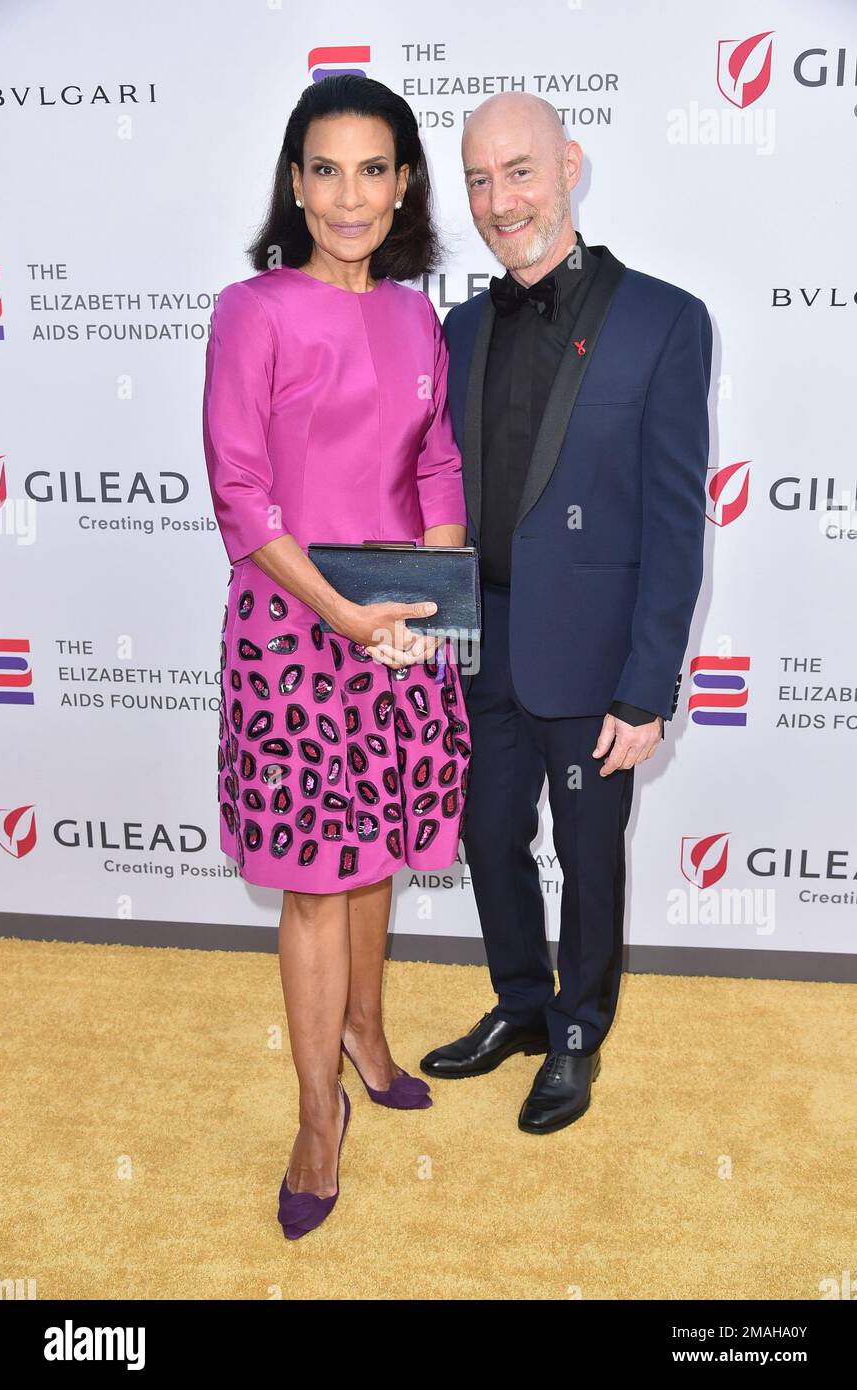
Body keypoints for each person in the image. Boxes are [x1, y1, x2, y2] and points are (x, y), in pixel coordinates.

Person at [202, 75, 471, 1236]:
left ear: (402, 182)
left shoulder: (417, 317)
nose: (346, 195)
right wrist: (342, 615)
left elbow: (437, 467)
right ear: (295, 181)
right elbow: (241, 492)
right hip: (291, 635)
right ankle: (318, 1117)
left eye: (372, 169)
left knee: (376, 858)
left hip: (398, 630)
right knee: (316, 882)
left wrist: (433, 584)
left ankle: (365, 1031)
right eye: (324, 169)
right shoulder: (252, 308)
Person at [420, 92, 713, 1134]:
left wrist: (646, 686)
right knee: (486, 833)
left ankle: (579, 1032)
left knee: (587, 855)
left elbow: (677, 523)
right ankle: (520, 1003)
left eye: (520, 171)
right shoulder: (457, 325)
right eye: (479, 179)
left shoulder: (663, 319)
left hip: (592, 662)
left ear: (570, 165)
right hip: (475, 641)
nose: (500, 201)